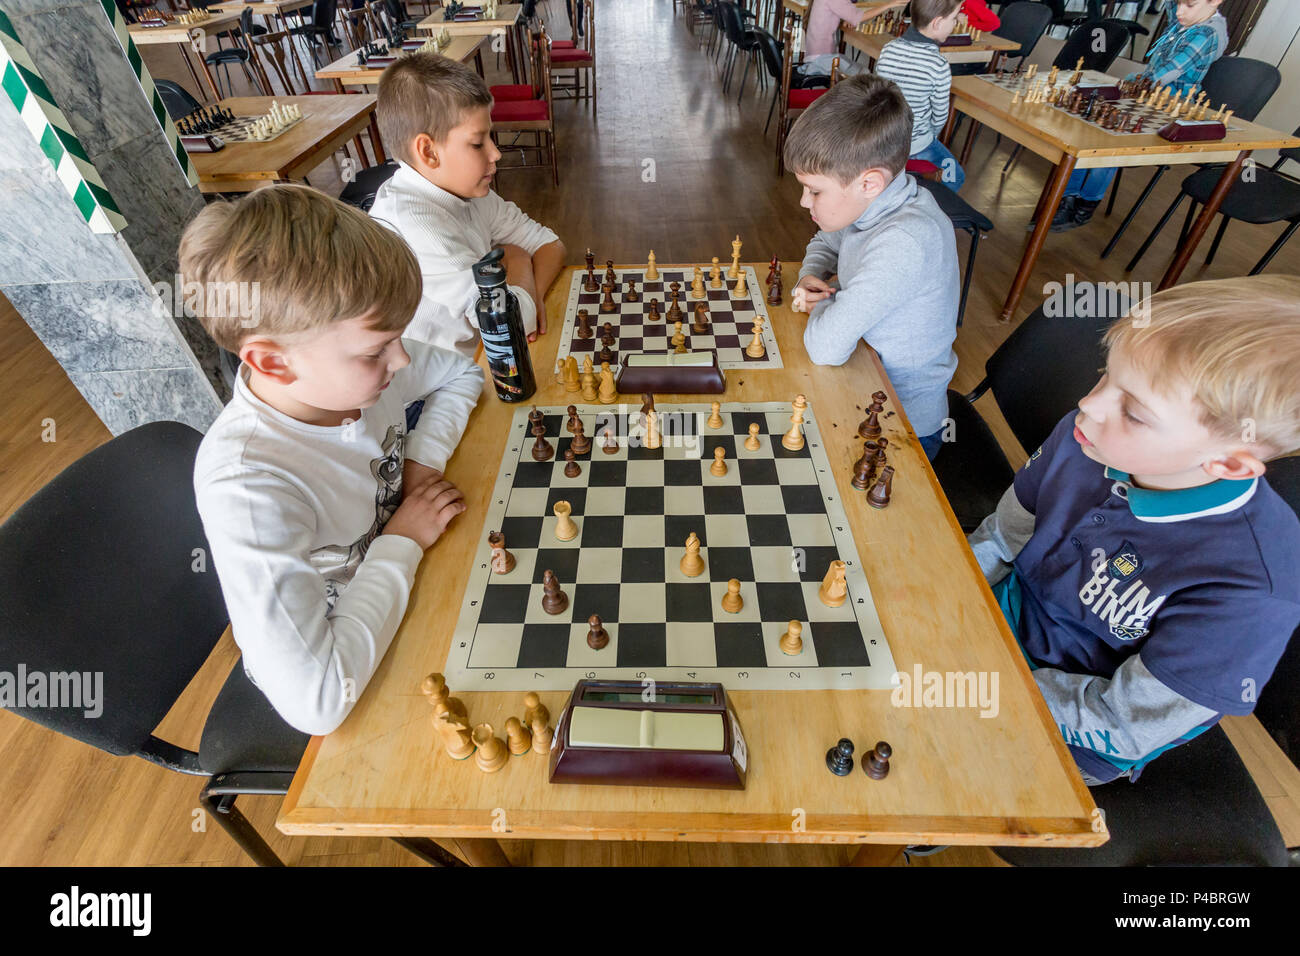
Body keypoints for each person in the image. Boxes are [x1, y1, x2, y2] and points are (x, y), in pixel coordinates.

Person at [969, 277, 1300, 784]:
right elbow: (1003, 535)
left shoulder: (1253, 591)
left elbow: (1121, 726)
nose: (1090, 404)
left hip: (1076, 727)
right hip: (1000, 624)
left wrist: (976, 685)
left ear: (1231, 464)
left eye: (1136, 413)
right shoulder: (1090, 437)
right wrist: (952, 600)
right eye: (1105, 375)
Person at [186, 185, 485, 735]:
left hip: (418, 578)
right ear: (272, 363)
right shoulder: (248, 485)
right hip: (356, 656)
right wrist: (401, 539)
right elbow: (318, 703)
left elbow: (462, 373)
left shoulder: (353, 372)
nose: (401, 358)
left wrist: (422, 460)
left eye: (397, 338)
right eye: (376, 350)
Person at [785, 73, 960, 461]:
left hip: (901, 423)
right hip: (863, 376)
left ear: (869, 183)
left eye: (814, 190)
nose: (803, 201)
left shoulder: (904, 240)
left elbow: (826, 347)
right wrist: (809, 275)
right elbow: (826, 241)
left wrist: (829, 303)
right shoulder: (872, 203)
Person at [369, 53, 566, 362]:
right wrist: (516, 258)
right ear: (428, 151)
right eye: (478, 143)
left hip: (480, 360)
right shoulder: (416, 224)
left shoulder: (470, 191)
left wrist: (531, 300)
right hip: (434, 391)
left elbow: (550, 244)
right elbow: (509, 324)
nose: (496, 153)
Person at [1048, 0, 1228, 231]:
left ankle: (1086, 204)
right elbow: (1173, 7)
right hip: (1146, 95)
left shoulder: (1207, 34)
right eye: (1179, 3)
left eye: (1189, 5)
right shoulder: (1186, 21)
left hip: (1170, 107)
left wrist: (1129, 89)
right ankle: (1068, 198)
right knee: (1086, 128)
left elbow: (1166, 72)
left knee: (1112, 139)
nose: (1180, 11)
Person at [875, 0, 967, 191]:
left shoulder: (888, 49)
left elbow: (878, 95)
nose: (955, 24)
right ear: (937, 23)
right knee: (955, 176)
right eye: (953, 19)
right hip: (915, 145)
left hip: (882, 138)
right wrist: (929, 136)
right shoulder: (938, 65)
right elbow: (940, 115)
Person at [799, 0, 907, 79]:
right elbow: (859, 17)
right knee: (866, 75)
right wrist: (890, 4)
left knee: (860, 70)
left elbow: (834, 14)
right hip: (821, 60)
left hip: (817, 56)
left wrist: (845, 19)